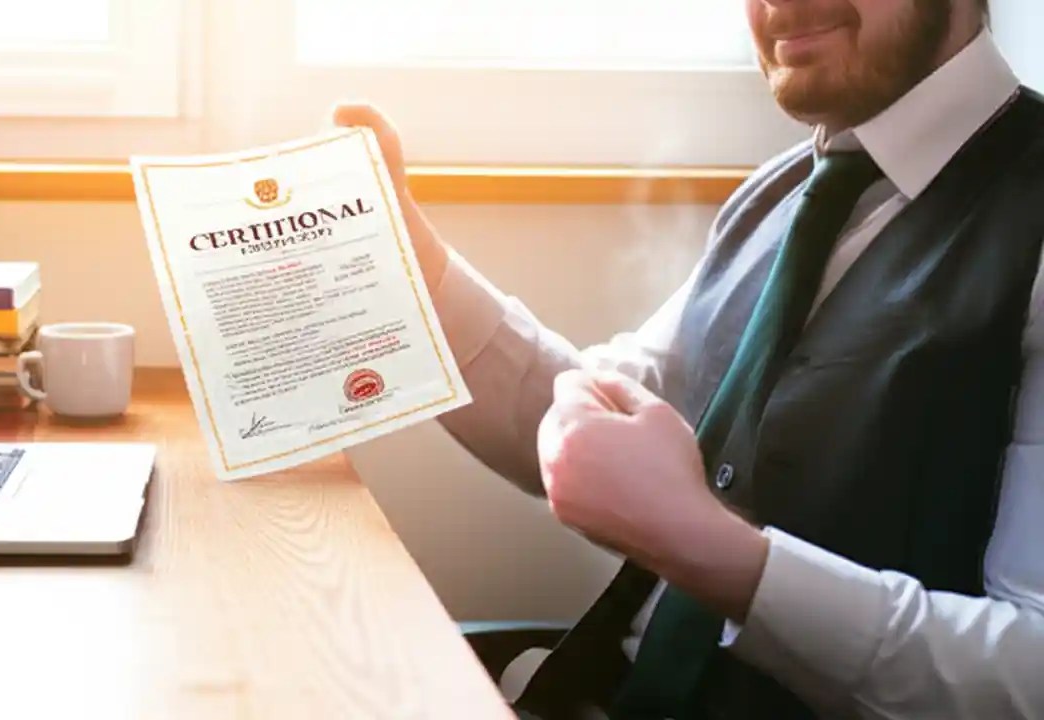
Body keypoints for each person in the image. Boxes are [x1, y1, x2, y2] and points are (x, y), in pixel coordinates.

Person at [335, 0, 1044, 718]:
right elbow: (584, 418)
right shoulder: (771, 200)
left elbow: (1031, 672)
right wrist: (409, 267)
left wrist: (708, 548)